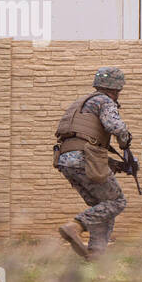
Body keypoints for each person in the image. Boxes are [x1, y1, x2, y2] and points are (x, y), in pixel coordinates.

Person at [53, 67, 131, 260]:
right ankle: (75, 226)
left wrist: (114, 164)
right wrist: (125, 141)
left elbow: (85, 141)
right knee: (116, 201)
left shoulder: (82, 103)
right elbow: (115, 126)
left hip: (65, 160)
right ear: (117, 88)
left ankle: (95, 254)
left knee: (103, 207)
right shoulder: (105, 101)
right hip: (84, 159)